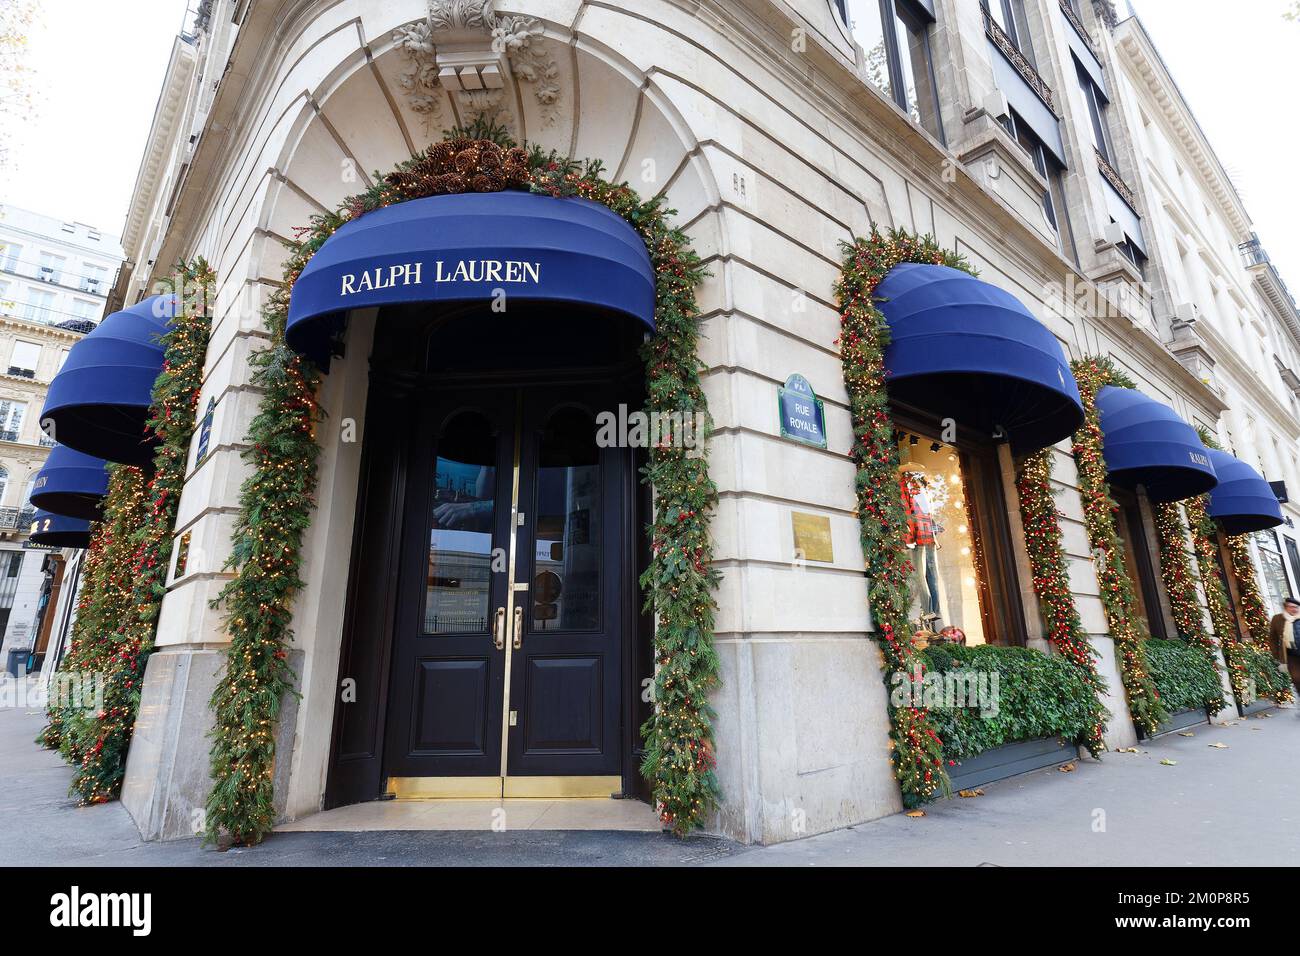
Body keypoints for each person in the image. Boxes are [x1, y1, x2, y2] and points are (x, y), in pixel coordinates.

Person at [1267, 597, 1300, 689]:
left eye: (1295, 607)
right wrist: (1276, 654)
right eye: (1290, 607)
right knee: (1297, 680)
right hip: (1291, 657)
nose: (1293, 609)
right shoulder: (1277, 619)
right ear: (1285, 607)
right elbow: (1272, 638)